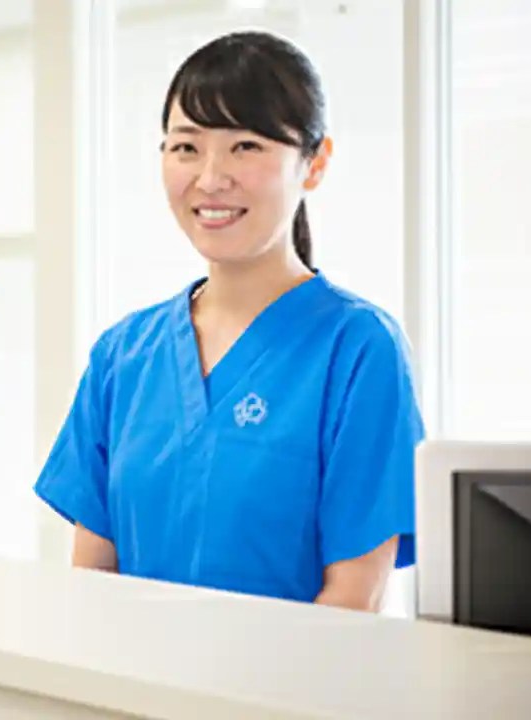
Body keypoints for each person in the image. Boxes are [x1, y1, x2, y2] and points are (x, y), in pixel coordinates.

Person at [33, 30, 425, 611]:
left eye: (245, 146)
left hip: (291, 673)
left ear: (315, 163)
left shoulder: (359, 350)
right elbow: (91, 588)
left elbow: (352, 601)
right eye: (186, 147)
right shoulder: (123, 355)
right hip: (127, 670)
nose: (211, 178)